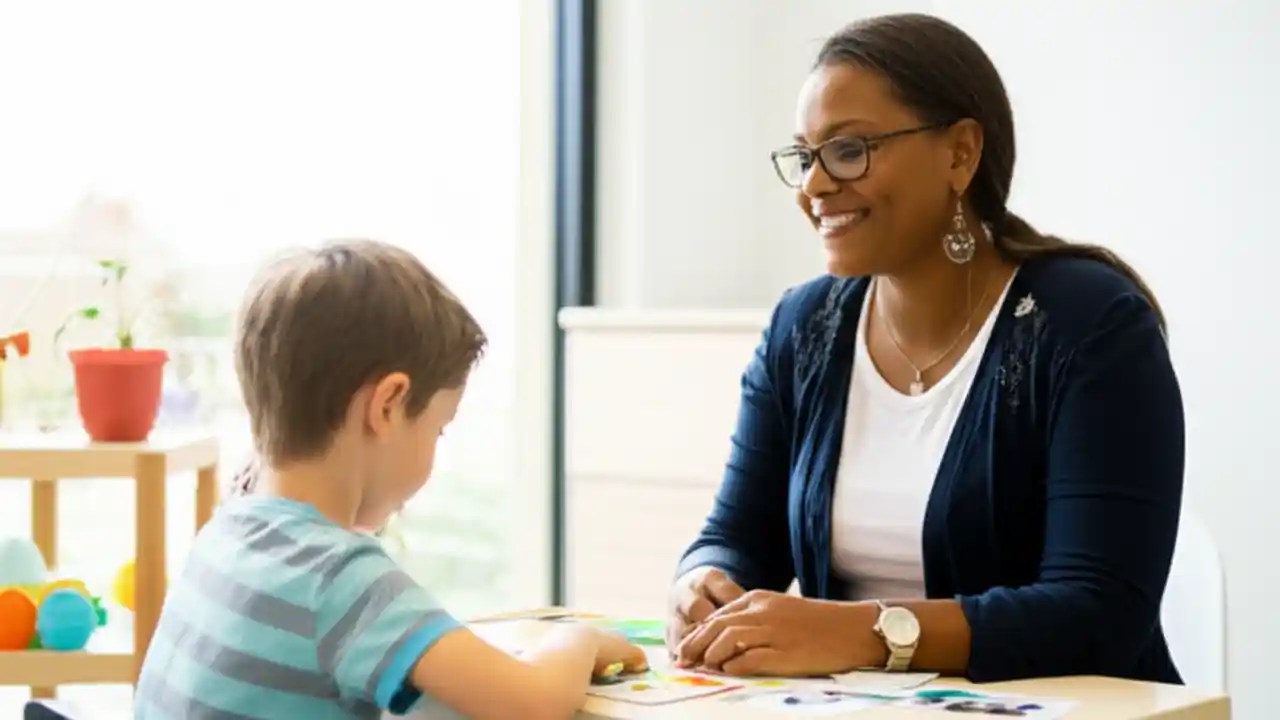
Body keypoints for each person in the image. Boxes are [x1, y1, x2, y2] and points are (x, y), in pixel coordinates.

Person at [667, 13, 1184, 685]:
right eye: (804, 156)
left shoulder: (1090, 326)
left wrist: (861, 631)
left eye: (849, 150)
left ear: (960, 153)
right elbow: (738, 533)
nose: (814, 185)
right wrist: (703, 581)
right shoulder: (804, 328)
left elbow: (1099, 615)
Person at [136, 240, 646, 720]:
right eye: (437, 430)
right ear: (387, 405)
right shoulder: (337, 578)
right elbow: (531, 703)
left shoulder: (226, 532)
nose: (435, 451)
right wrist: (581, 639)